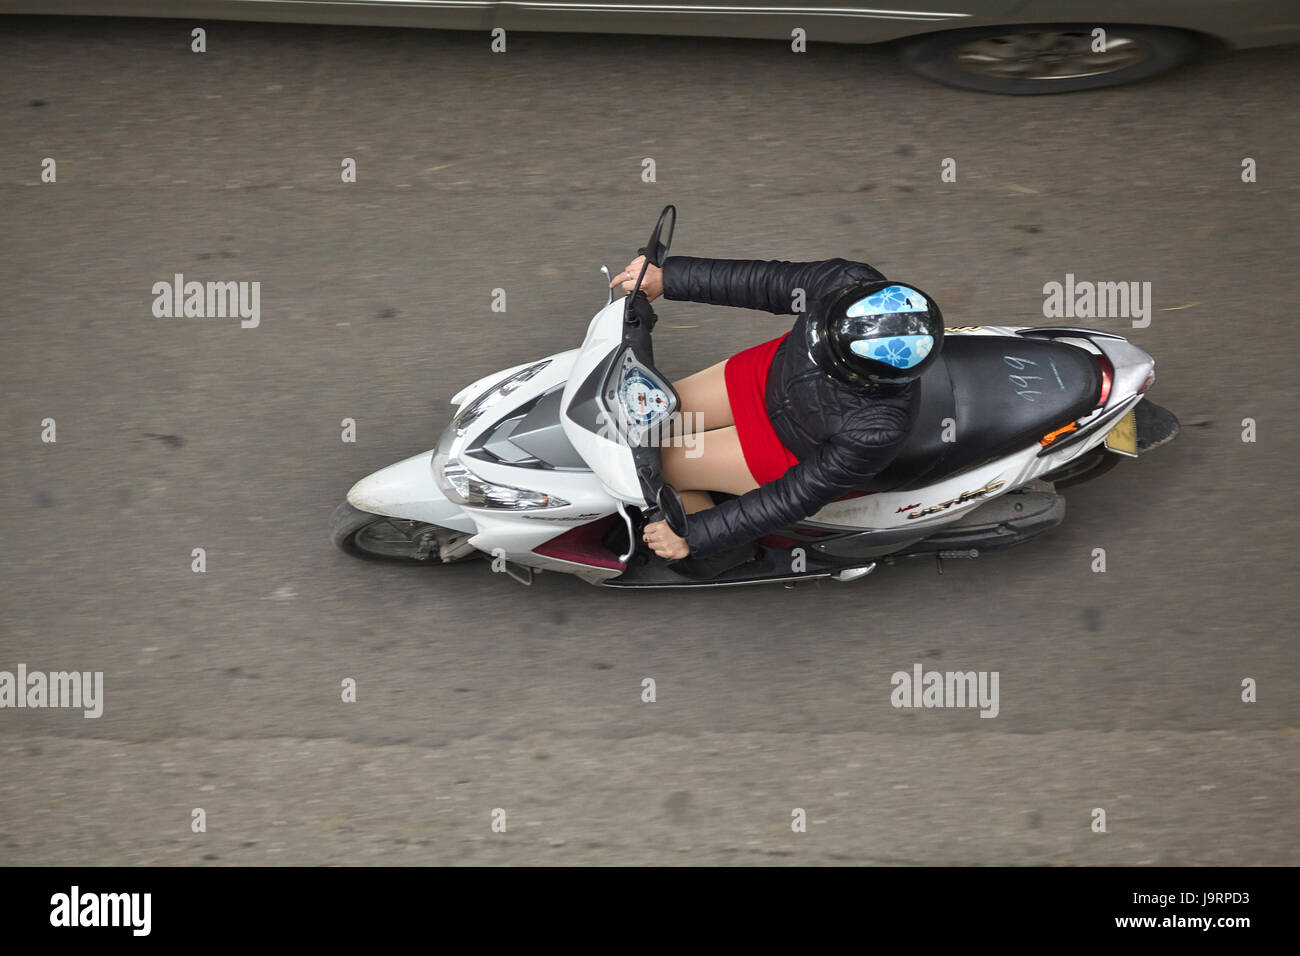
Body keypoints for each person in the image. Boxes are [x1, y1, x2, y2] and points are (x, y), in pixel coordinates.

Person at [609, 254, 945, 578]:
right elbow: (766, 282)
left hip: (779, 446)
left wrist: (694, 535)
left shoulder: (878, 430)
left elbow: (794, 496)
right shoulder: (847, 280)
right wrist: (670, 278)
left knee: (654, 467)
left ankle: (722, 551)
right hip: (764, 374)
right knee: (640, 412)